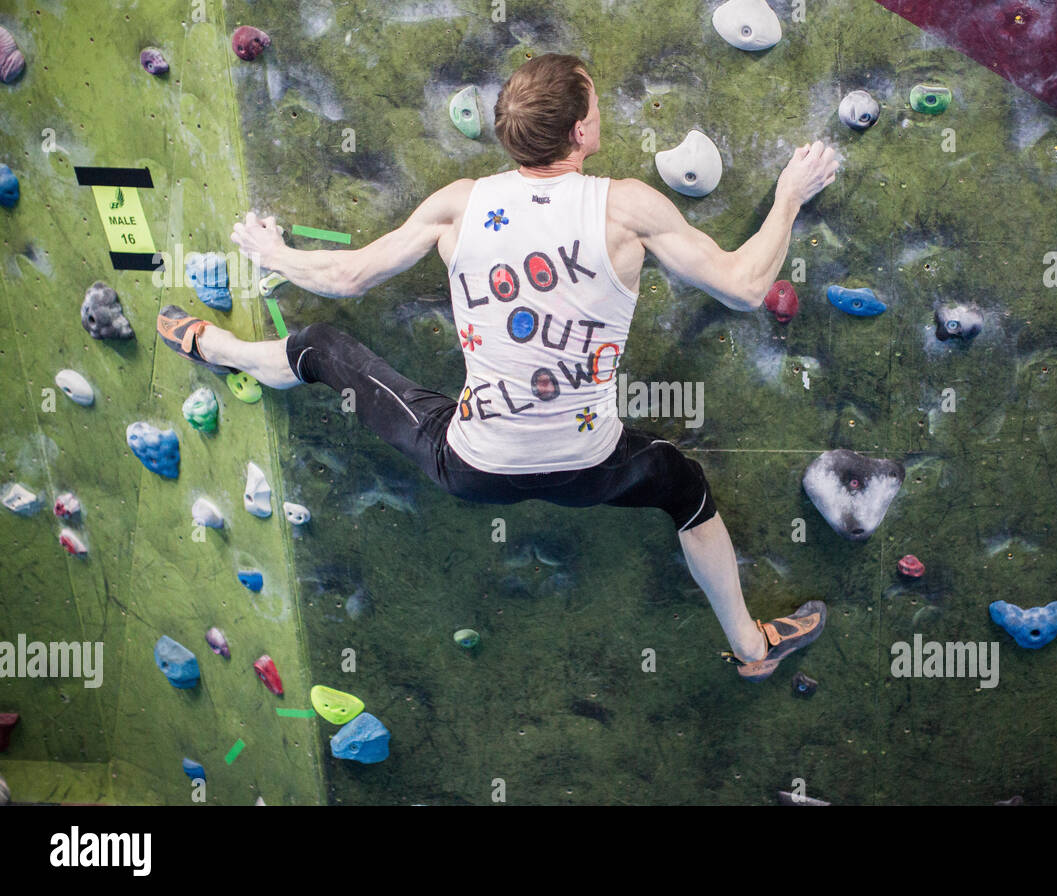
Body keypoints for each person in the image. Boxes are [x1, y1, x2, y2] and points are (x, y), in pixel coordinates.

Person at [157, 54, 840, 681]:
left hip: (472, 468)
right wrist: (789, 196)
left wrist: (276, 255)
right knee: (685, 488)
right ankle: (753, 649)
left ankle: (217, 350)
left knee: (321, 349)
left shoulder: (459, 204)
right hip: (590, 470)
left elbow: (348, 275)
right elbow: (747, 287)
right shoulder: (628, 207)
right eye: (595, 107)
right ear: (580, 133)